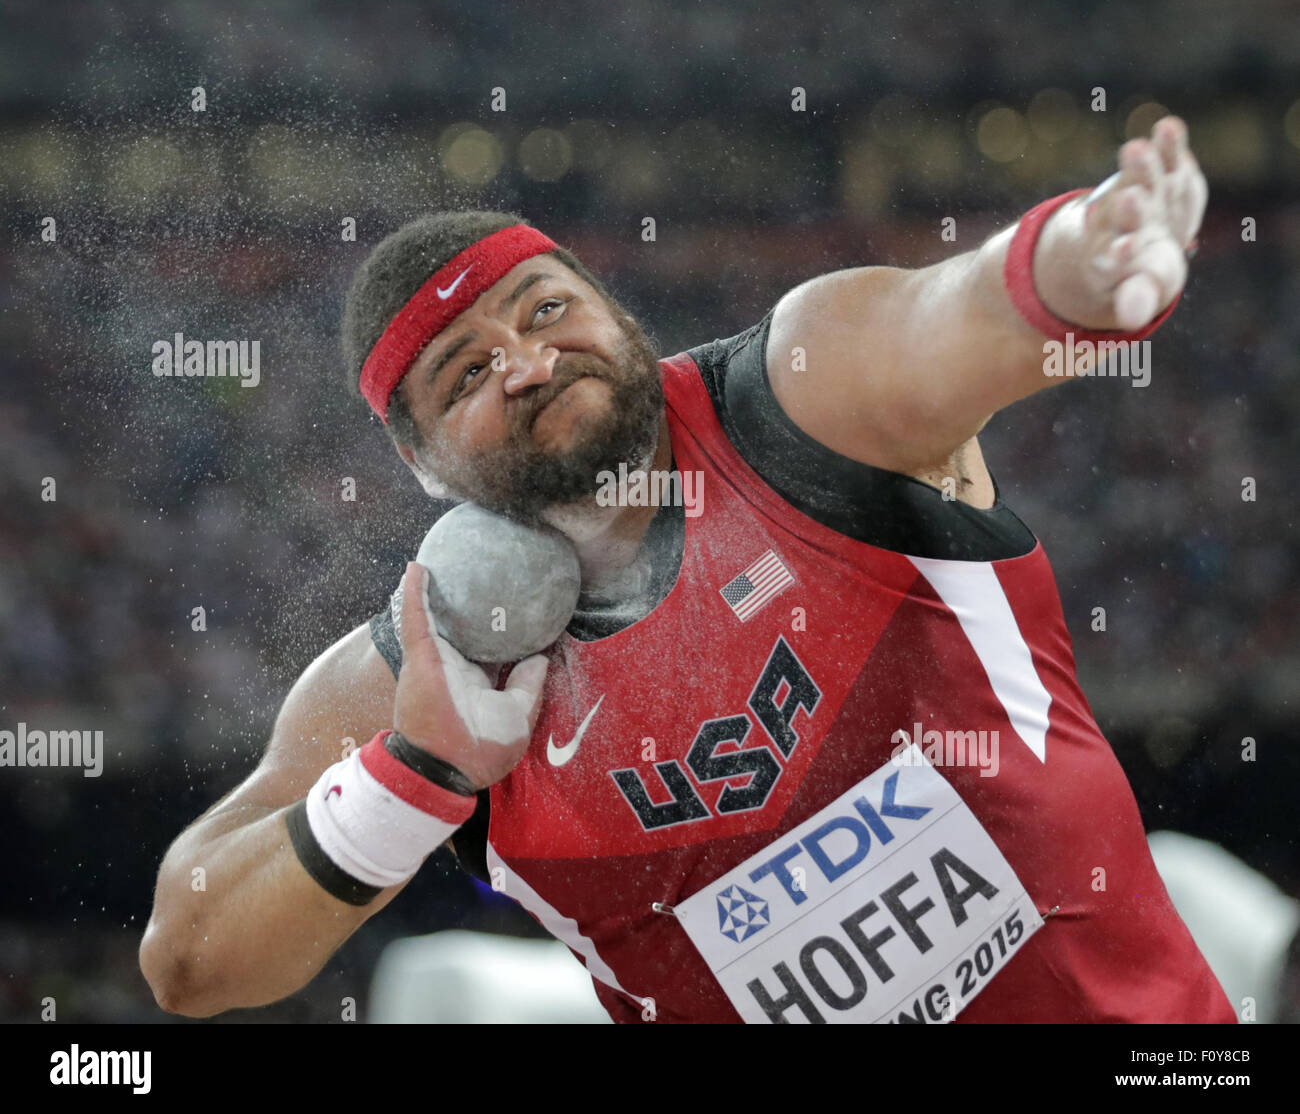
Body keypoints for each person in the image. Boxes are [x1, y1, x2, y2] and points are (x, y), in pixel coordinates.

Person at [140, 115, 1234, 1023]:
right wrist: (413, 774)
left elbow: (958, 310)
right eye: (464, 372)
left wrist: (1081, 259)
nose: (526, 364)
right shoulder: (424, 675)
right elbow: (186, 958)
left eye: (546, 309)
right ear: (418, 462)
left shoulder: (803, 402)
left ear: (613, 308)